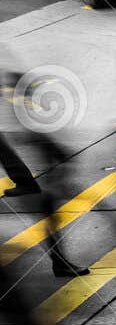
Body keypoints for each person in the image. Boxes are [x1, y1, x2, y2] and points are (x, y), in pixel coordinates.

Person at [0, 55, 90, 279]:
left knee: (50, 221)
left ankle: (59, 263)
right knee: (49, 222)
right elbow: (38, 144)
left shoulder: (22, 112)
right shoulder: (24, 115)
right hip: (40, 183)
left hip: (40, 181)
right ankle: (59, 264)